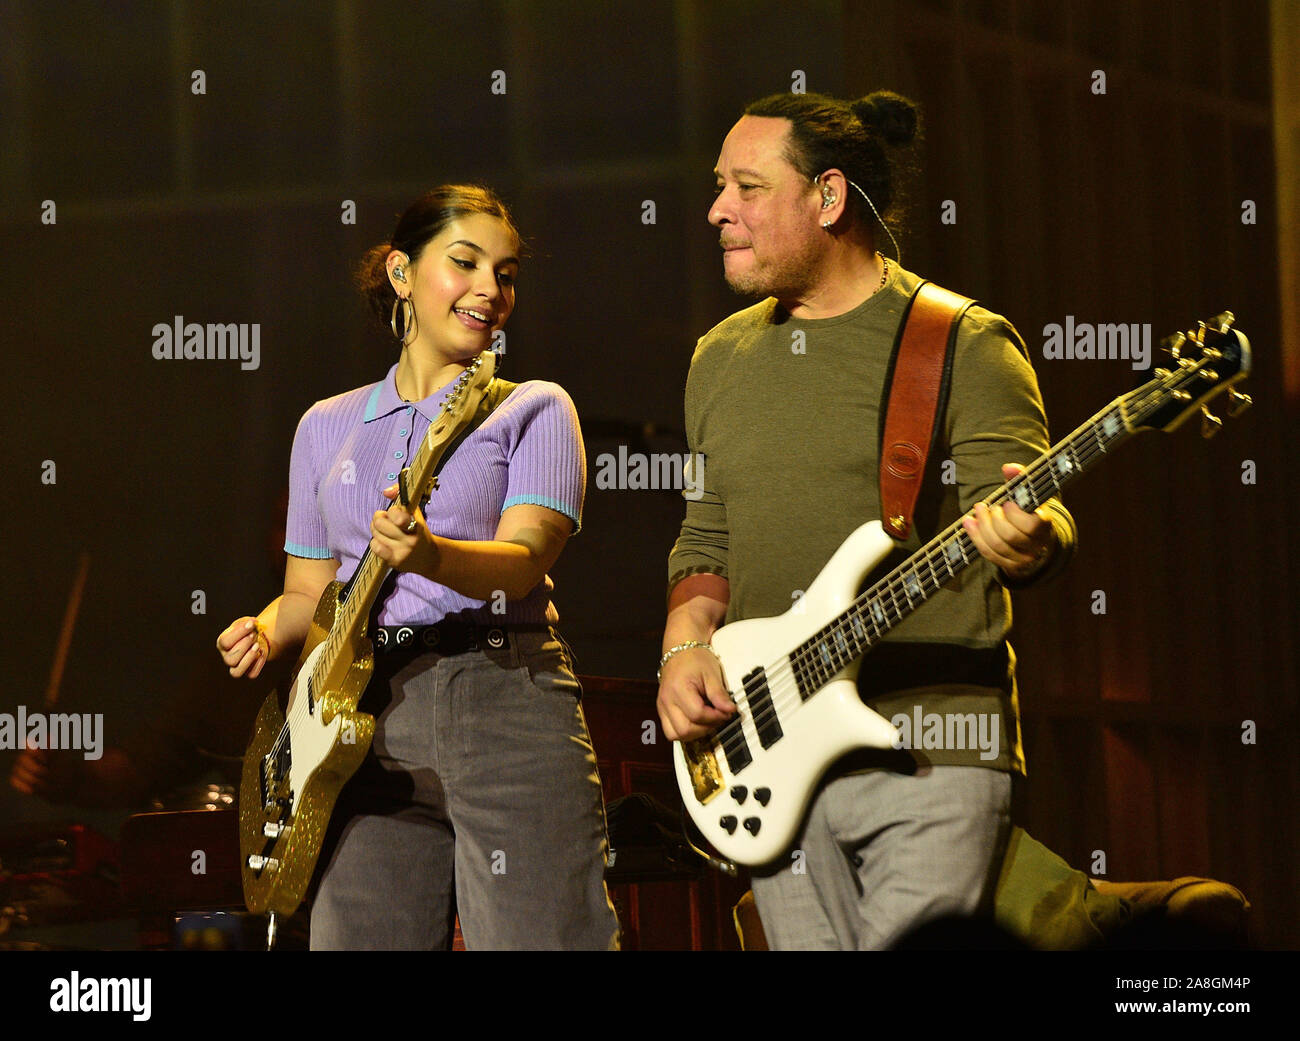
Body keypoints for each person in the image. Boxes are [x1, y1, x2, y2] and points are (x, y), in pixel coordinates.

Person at [656, 92, 1076, 950]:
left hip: (931, 747)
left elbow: (1042, 513)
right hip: (770, 758)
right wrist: (682, 645)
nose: (716, 211)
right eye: (717, 186)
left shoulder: (964, 340)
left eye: (746, 187)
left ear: (830, 197)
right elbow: (705, 540)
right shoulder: (719, 357)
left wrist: (1033, 539)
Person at [216, 184, 619, 950]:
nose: (488, 290)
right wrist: (267, 631)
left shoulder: (531, 407)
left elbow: (525, 560)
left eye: (505, 274)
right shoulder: (324, 425)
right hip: (357, 717)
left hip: (502, 696)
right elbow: (309, 591)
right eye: (463, 263)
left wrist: (430, 554)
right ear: (401, 272)